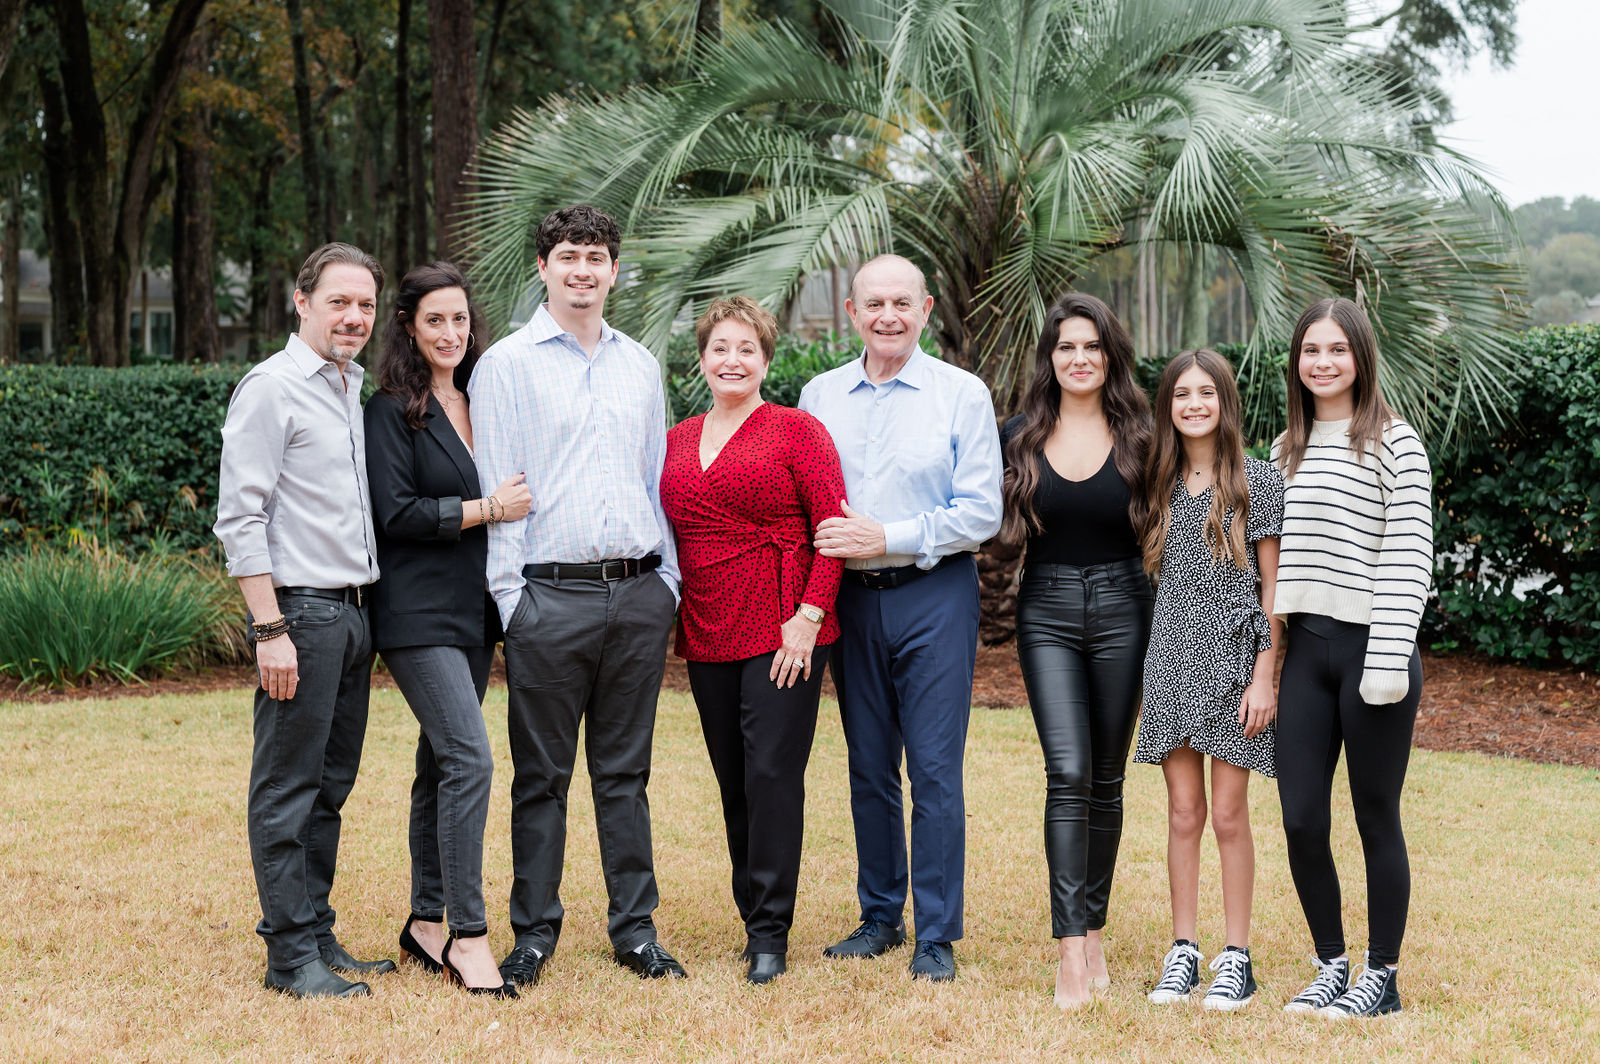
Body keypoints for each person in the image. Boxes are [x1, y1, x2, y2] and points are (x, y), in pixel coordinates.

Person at [469, 205, 686, 986]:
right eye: (569, 256)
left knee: (626, 775)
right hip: (547, 601)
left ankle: (635, 931)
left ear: (615, 270)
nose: (583, 270)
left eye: (597, 256)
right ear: (543, 268)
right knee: (543, 777)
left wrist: (667, 581)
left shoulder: (640, 364)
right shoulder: (506, 365)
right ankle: (534, 934)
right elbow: (499, 490)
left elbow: (655, 478)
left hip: (637, 594)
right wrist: (512, 603)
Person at [798, 254, 1002, 983]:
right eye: (873, 303)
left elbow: (981, 511)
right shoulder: (818, 396)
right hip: (848, 601)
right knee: (868, 764)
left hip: (934, 593)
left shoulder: (961, 394)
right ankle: (881, 915)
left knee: (936, 770)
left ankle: (936, 933)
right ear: (851, 312)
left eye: (902, 303)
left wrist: (889, 535)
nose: (888, 315)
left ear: (926, 308)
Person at [214, 242, 393, 998]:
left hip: (354, 616)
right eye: (339, 303)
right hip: (302, 616)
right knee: (287, 788)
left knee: (329, 787)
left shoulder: (348, 387)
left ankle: (316, 932)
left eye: (365, 306)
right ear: (302, 300)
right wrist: (269, 629)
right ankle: (290, 957)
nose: (353, 317)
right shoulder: (273, 387)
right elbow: (240, 516)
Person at [659, 296, 847, 985]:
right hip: (707, 623)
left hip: (783, 625)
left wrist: (809, 615)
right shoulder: (677, 439)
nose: (732, 360)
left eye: (747, 349)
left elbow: (833, 531)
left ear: (766, 360)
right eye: (720, 348)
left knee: (772, 775)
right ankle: (751, 913)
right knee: (733, 779)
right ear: (702, 359)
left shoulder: (799, 431)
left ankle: (771, 932)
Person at [364, 263, 532, 998]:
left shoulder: (481, 400)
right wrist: (487, 509)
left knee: (439, 763)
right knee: (470, 757)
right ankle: (469, 935)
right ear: (407, 324)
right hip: (415, 613)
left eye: (460, 319)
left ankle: (424, 921)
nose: (451, 333)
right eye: (435, 320)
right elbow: (395, 514)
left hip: (476, 613)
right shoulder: (391, 409)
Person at [1272, 298, 1432, 1019]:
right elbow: (1264, 567)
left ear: (1361, 356)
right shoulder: (1285, 449)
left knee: (1375, 815)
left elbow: (1408, 559)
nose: (1324, 362)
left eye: (1337, 349)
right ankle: (1332, 963)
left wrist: (1389, 662)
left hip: (1374, 651)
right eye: (1312, 350)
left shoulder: (1396, 443)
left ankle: (1383, 976)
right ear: (1297, 362)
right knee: (1302, 817)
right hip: (1306, 649)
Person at [998, 292, 1153, 1009]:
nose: (1079, 358)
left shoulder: (1144, 434)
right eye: (1066, 347)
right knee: (1068, 770)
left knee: (1107, 779)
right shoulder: (1019, 434)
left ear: (1110, 354)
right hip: (1048, 609)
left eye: (1091, 346)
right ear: (1050, 357)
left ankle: (1094, 929)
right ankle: (1069, 950)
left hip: (1128, 606)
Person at [1134, 349, 1284, 1012]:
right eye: (1181, 395)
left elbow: (1273, 591)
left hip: (1234, 667)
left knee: (1227, 814)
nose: (1194, 404)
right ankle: (1184, 949)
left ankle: (1237, 956)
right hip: (1169, 663)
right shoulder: (1156, 482)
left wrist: (1265, 675)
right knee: (1183, 812)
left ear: (1225, 400)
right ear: (1168, 406)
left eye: (1206, 393)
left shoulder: (1258, 481)